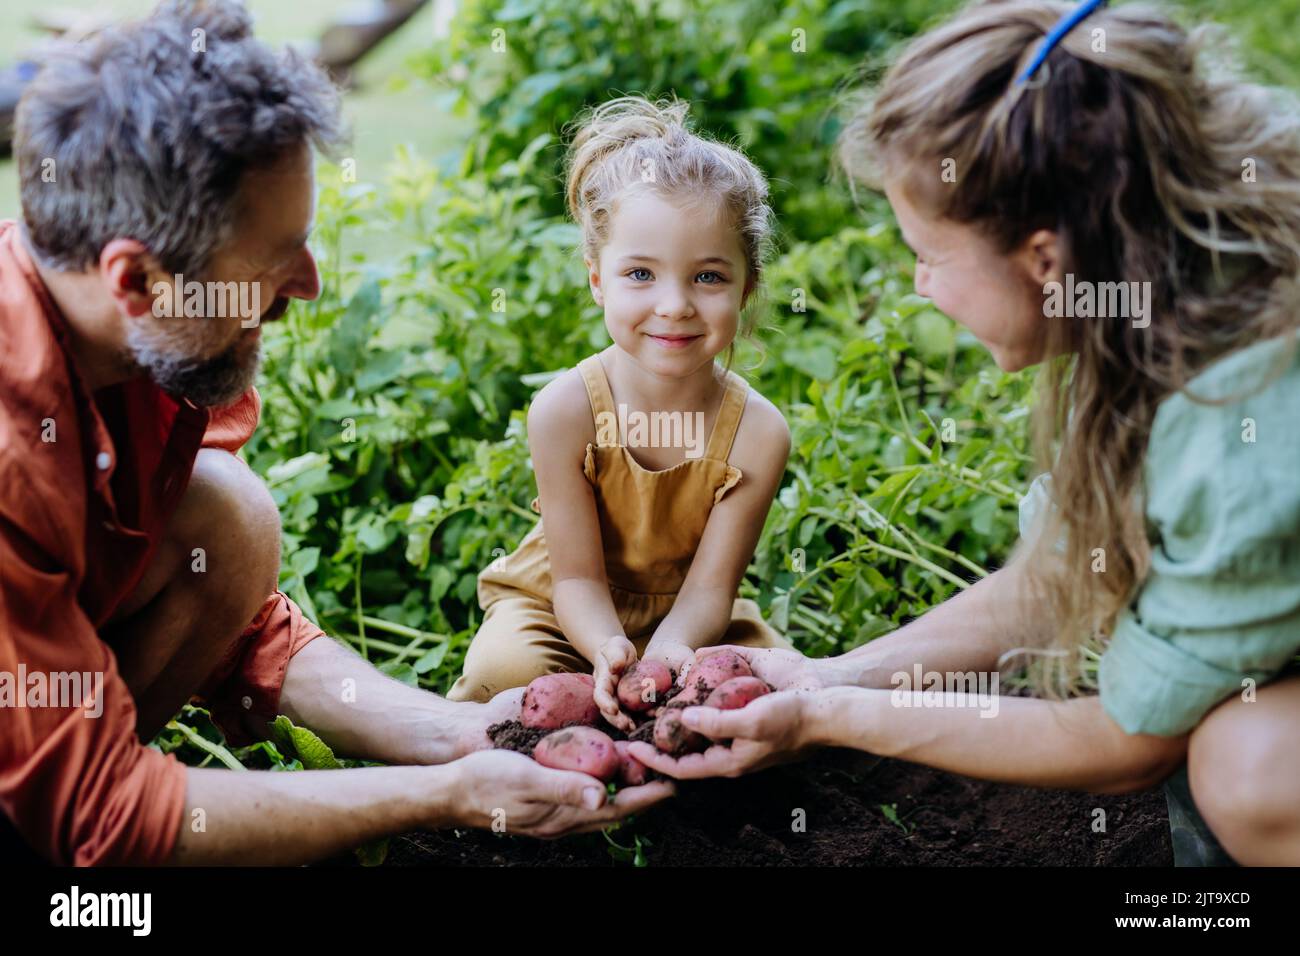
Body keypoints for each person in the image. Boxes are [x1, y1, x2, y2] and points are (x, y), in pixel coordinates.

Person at [629, 0, 1300, 866]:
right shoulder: (1171, 269)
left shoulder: (1241, 420)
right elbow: (1060, 568)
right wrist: (824, 677)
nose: (918, 285)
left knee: (1254, 770)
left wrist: (828, 719)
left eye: (933, 256)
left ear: (1047, 258)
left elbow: (1129, 743)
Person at [0, 0, 669, 867]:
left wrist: (462, 735)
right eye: (275, 260)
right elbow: (102, 815)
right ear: (136, 278)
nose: (308, 285)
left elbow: (248, 634)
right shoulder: (15, 456)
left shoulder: (125, 341)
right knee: (92, 821)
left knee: (227, 523)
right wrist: (443, 798)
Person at [447, 96, 793, 732]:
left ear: (746, 287)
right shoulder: (564, 410)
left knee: (776, 689)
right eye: (640, 273)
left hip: (692, 616)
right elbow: (575, 579)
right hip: (564, 608)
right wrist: (611, 651)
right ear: (597, 280)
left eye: (709, 278)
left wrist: (667, 656)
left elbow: (711, 591)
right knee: (505, 671)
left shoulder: (759, 432)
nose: (674, 305)